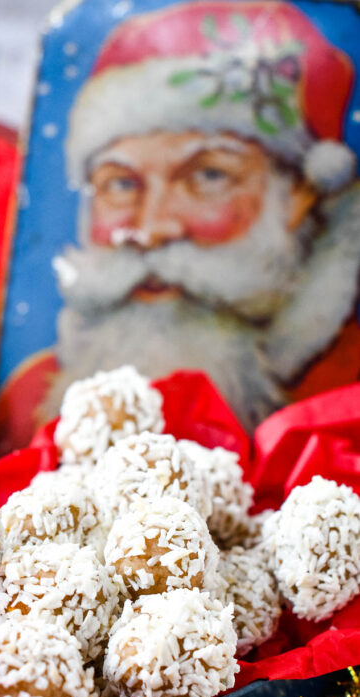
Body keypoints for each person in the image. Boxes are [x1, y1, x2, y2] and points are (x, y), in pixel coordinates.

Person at [44, 1, 360, 432]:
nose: (152, 228)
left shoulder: (344, 408)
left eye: (208, 176)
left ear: (297, 196)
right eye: (120, 183)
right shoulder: (29, 396)